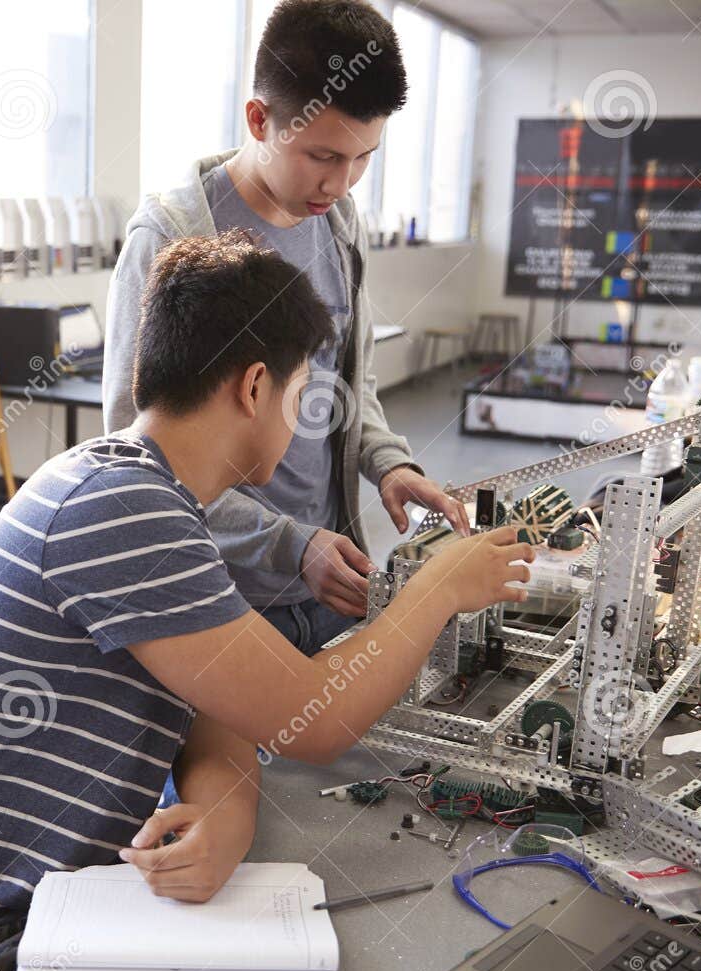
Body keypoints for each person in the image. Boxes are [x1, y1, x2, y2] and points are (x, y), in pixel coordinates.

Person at [0, 233, 531, 971]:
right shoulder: (124, 511)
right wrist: (440, 587)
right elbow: (309, 720)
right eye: (299, 396)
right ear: (256, 387)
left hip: (16, 915)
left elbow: (225, 706)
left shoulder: (144, 492)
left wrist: (227, 807)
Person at [102, 0, 470, 658]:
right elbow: (142, 464)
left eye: (363, 158)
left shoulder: (337, 222)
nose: (341, 181)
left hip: (329, 583)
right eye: (322, 155)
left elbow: (344, 379)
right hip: (219, 601)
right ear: (258, 119)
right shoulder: (173, 238)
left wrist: (385, 461)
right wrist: (286, 544)